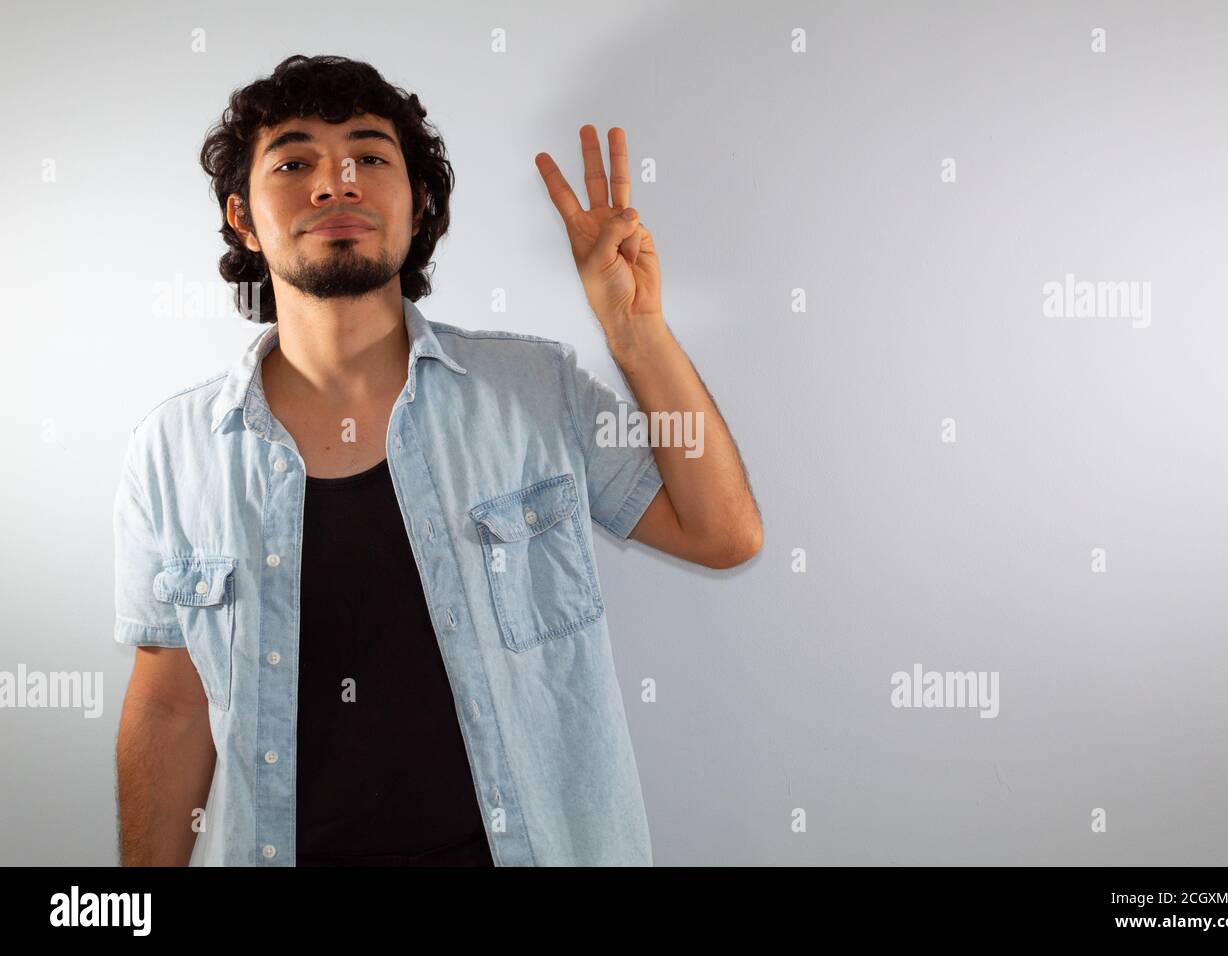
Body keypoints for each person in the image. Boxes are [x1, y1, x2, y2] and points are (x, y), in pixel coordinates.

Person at [112, 54, 762, 867]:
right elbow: (170, 711)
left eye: (369, 156)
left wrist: (637, 336)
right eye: (294, 160)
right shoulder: (172, 451)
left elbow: (722, 533)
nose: (335, 182)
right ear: (243, 218)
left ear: (418, 205)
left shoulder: (535, 390)